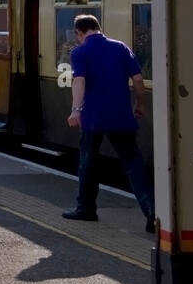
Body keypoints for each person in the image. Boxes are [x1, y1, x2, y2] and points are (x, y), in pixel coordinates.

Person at [62, 14, 154, 231]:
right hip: (121, 115)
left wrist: (75, 110)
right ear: (98, 28)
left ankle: (86, 209)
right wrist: (140, 104)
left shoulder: (80, 51)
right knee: (133, 164)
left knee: (88, 162)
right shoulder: (120, 47)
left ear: (79, 32)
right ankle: (152, 214)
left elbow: (79, 80)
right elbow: (138, 80)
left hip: (93, 117)